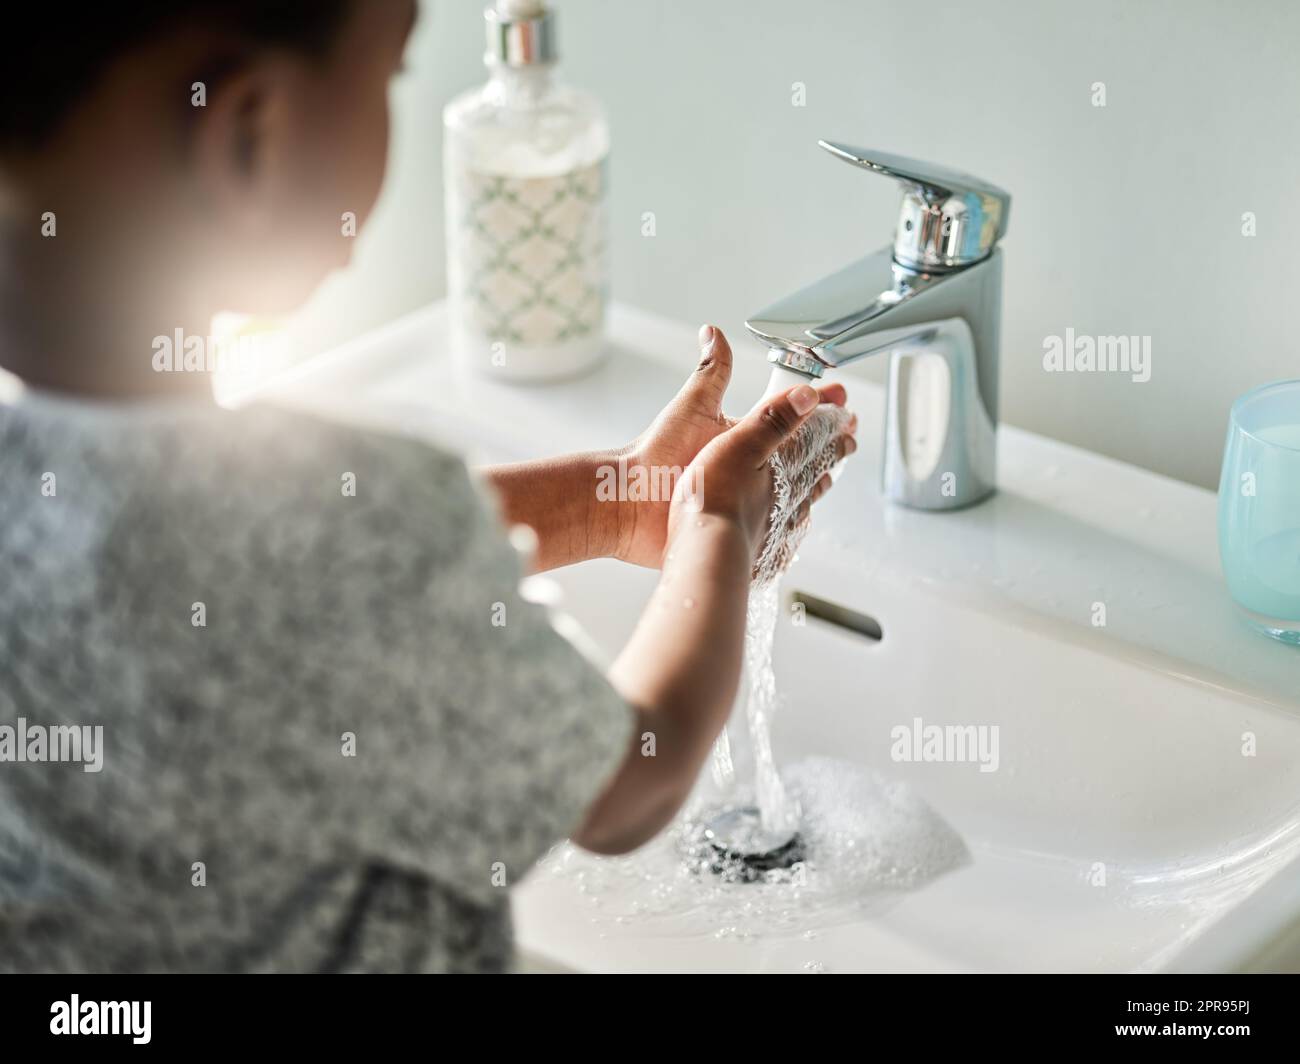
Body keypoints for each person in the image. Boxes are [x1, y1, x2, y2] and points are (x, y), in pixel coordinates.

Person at [0, 0, 855, 972]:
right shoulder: (345, 529)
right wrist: (716, 523)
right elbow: (627, 785)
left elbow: (270, 572)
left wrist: (612, 499)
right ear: (250, 130)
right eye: (391, 72)